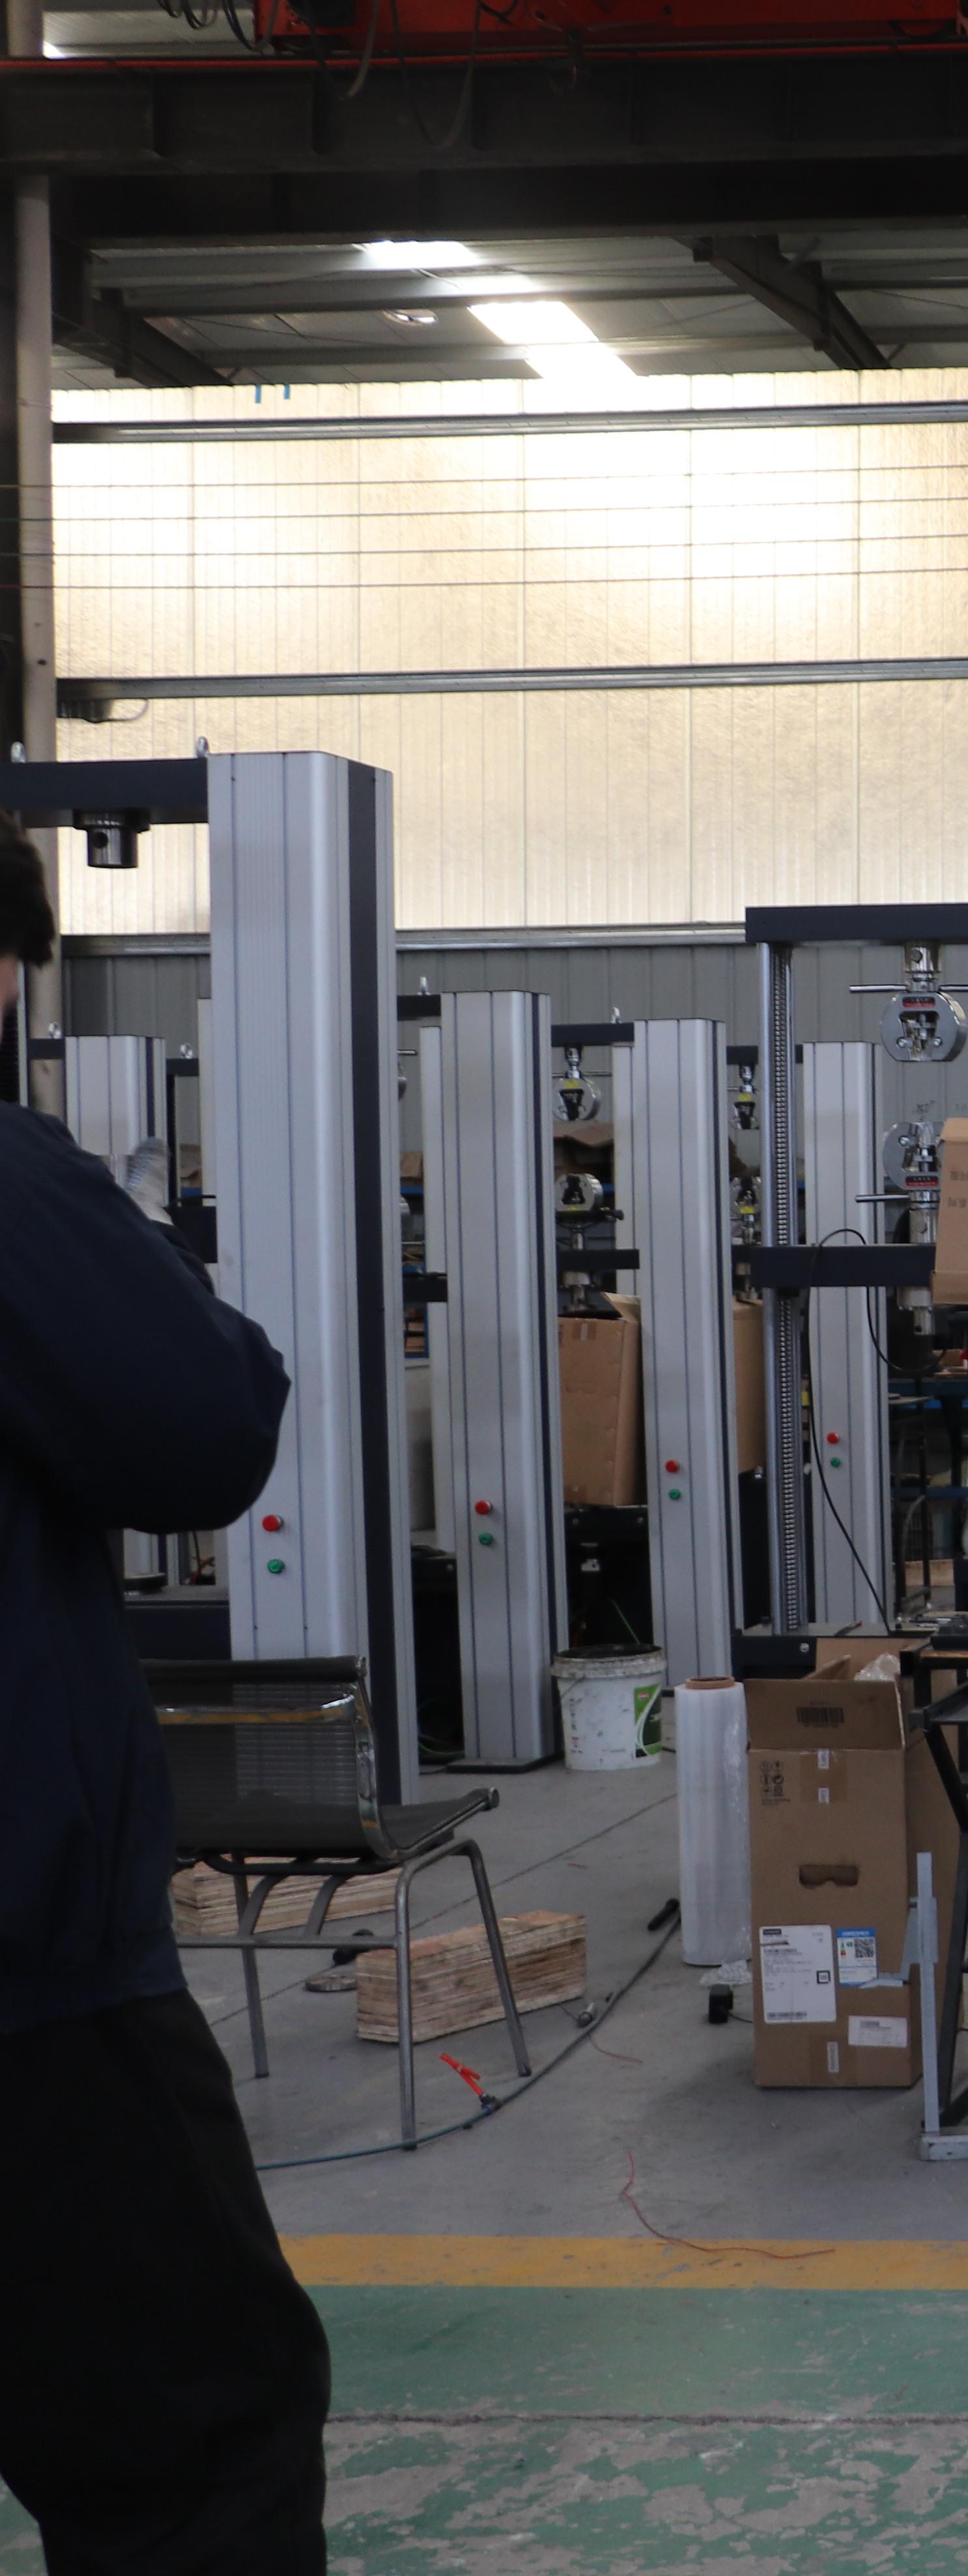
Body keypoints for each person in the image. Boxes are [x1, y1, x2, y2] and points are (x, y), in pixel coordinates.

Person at [0, 825, 327, 2574]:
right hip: (25, 1987)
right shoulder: (10, 1188)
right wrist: (145, 1260)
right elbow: (200, 1425)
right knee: (196, 2448)